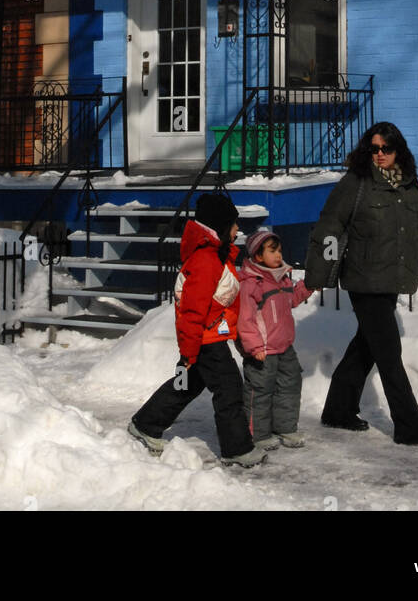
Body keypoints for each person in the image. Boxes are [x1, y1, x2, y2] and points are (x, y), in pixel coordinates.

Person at [304, 121, 418, 446]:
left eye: (386, 149)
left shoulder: (409, 183)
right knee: (389, 353)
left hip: (393, 277)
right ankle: (409, 427)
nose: (379, 155)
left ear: (398, 151)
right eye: (374, 148)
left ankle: (338, 410)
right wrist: (319, 273)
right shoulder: (357, 182)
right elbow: (330, 224)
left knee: (367, 346)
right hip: (364, 279)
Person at [128, 191, 268, 467]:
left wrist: (235, 336)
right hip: (205, 340)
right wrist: (189, 353)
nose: (238, 229)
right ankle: (236, 449)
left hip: (210, 335)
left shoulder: (217, 256)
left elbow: (223, 303)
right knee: (228, 387)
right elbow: (192, 311)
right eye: (234, 224)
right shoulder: (206, 260)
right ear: (220, 226)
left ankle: (145, 425)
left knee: (187, 384)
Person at [237, 227, 314, 449]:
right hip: (262, 349)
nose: (278, 255)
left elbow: (292, 300)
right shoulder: (252, 283)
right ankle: (257, 434)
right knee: (260, 391)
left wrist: (307, 287)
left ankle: (285, 427)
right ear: (258, 256)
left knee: (289, 385)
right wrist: (254, 346)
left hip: (284, 346)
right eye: (272, 251)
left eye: (279, 250)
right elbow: (246, 318)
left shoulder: (281, 279)